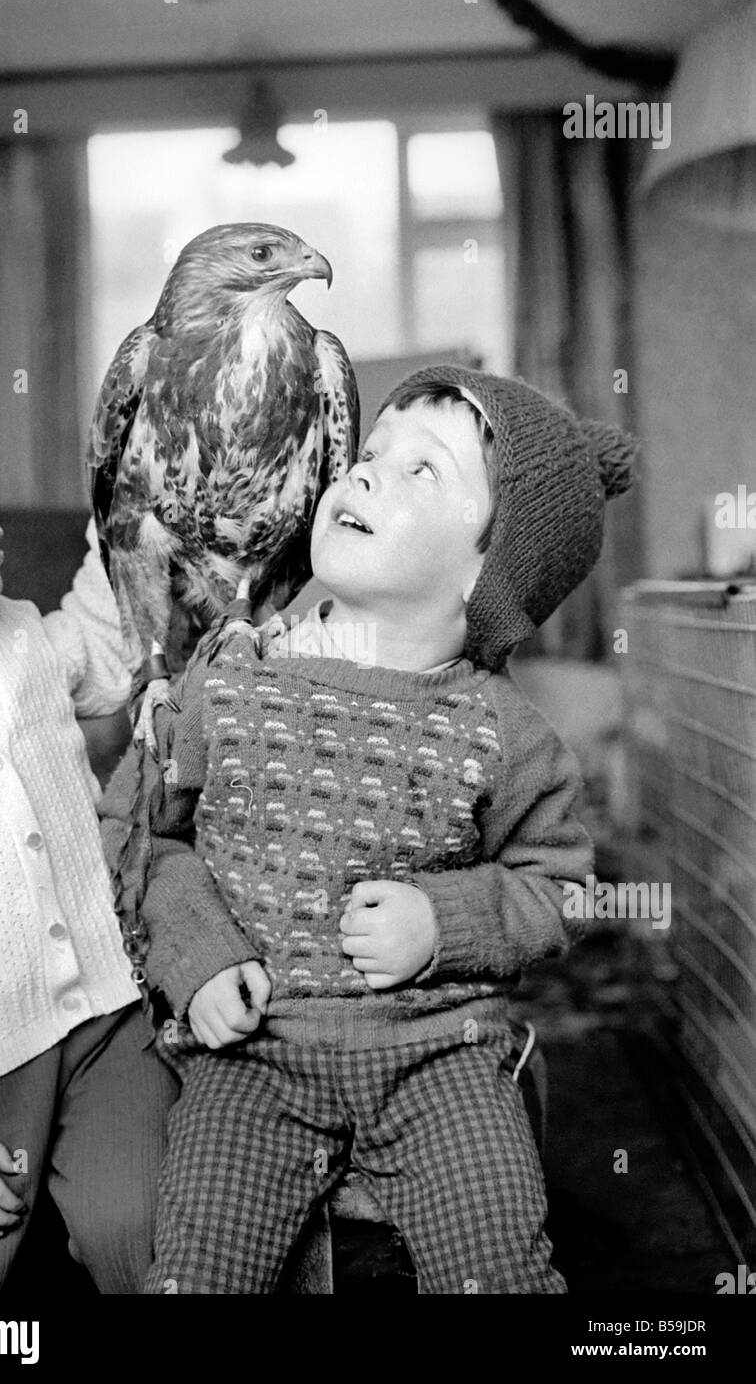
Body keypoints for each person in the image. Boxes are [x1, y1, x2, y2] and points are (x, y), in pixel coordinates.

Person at [103, 364, 637, 1295]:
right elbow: (151, 836)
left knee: (499, 1263)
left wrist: (450, 921)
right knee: (196, 1269)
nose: (362, 473)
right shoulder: (227, 682)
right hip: (253, 1059)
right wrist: (196, 956)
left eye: (422, 470)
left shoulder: (502, 733)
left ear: (487, 568)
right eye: (369, 451)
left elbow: (570, 885)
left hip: (440, 1057)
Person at [0, 364, 178, 1293]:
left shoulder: (7, 632)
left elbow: (101, 648)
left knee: (148, 1223)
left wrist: (126, 521)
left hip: (103, 1020)